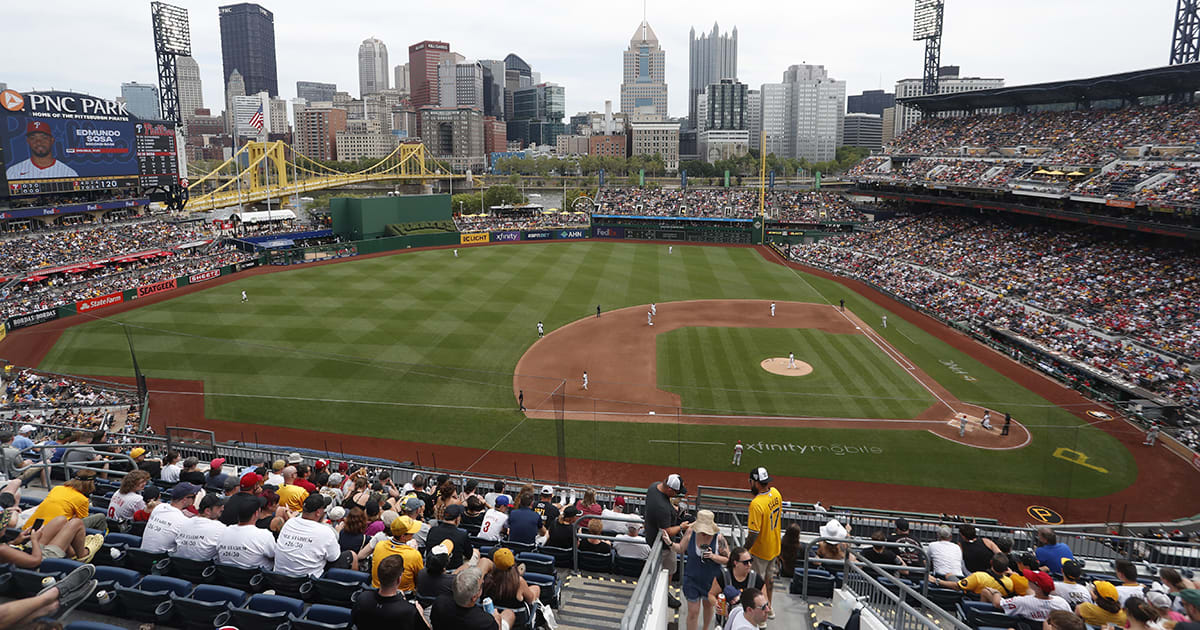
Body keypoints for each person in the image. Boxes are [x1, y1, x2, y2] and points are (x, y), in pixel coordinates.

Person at [665, 509, 727, 630]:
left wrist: (713, 557)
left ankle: (705, 628)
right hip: (692, 579)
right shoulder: (690, 532)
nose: (704, 534)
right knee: (693, 612)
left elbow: (728, 559)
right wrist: (669, 543)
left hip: (711, 581)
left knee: (708, 607)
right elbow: (681, 548)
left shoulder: (719, 539)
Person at [275, 494, 344, 578]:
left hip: (278, 578)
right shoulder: (326, 531)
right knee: (350, 555)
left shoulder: (289, 523)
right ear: (318, 512)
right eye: (323, 508)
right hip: (306, 584)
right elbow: (333, 557)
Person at [354, 554, 427, 630]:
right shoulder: (410, 611)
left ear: (378, 576)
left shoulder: (362, 598)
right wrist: (421, 614)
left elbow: (355, 621)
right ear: (399, 580)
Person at [744, 467, 782, 615]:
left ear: (756, 483)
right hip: (774, 547)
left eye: (751, 482)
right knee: (769, 581)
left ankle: (760, 615)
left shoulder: (756, 503)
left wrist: (745, 549)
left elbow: (754, 533)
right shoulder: (776, 493)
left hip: (760, 551)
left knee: (757, 585)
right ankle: (769, 608)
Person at [431, 566, 516, 630]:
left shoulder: (439, 603)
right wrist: (497, 621)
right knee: (509, 614)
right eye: (481, 586)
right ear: (474, 597)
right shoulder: (486, 622)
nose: (483, 582)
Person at [644, 473, 689, 584]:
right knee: (667, 571)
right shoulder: (662, 508)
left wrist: (672, 509)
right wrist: (681, 527)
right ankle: (664, 595)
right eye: (676, 492)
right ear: (669, 489)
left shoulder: (653, 487)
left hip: (651, 535)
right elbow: (667, 531)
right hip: (663, 545)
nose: (677, 495)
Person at [981, 569, 1071, 621]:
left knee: (985, 591)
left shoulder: (1022, 601)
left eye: (1030, 580)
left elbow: (997, 603)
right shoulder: (1062, 602)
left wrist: (996, 592)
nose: (1027, 580)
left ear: (1037, 588)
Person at [29, 469, 106, 531]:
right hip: (51, 532)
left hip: (30, 528)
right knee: (101, 517)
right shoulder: (82, 499)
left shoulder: (57, 488)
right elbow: (78, 523)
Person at [217, 498, 277, 569]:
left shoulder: (223, 531)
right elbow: (275, 556)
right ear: (256, 513)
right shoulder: (264, 535)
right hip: (256, 577)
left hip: (226, 577)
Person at [6, 121, 78, 180]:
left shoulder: (68, 173)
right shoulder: (13, 171)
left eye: (44, 137)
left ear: (52, 140)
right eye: (33, 138)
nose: (38, 142)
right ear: (28, 141)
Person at [371, 515, 424, 590]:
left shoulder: (380, 545)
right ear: (403, 536)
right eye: (411, 533)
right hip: (404, 595)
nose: (413, 535)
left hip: (376, 591)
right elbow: (420, 579)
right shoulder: (414, 555)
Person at [174, 494, 227, 562]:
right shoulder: (220, 528)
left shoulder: (184, 522)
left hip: (179, 566)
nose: (222, 509)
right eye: (219, 508)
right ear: (207, 511)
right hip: (203, 569)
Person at [426, 504, 473, 570]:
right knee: (476, 553)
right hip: (454, 571)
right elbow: (469, 555)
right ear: (458, 518)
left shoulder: (432, 530)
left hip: (432, 568)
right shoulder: (462, 534)